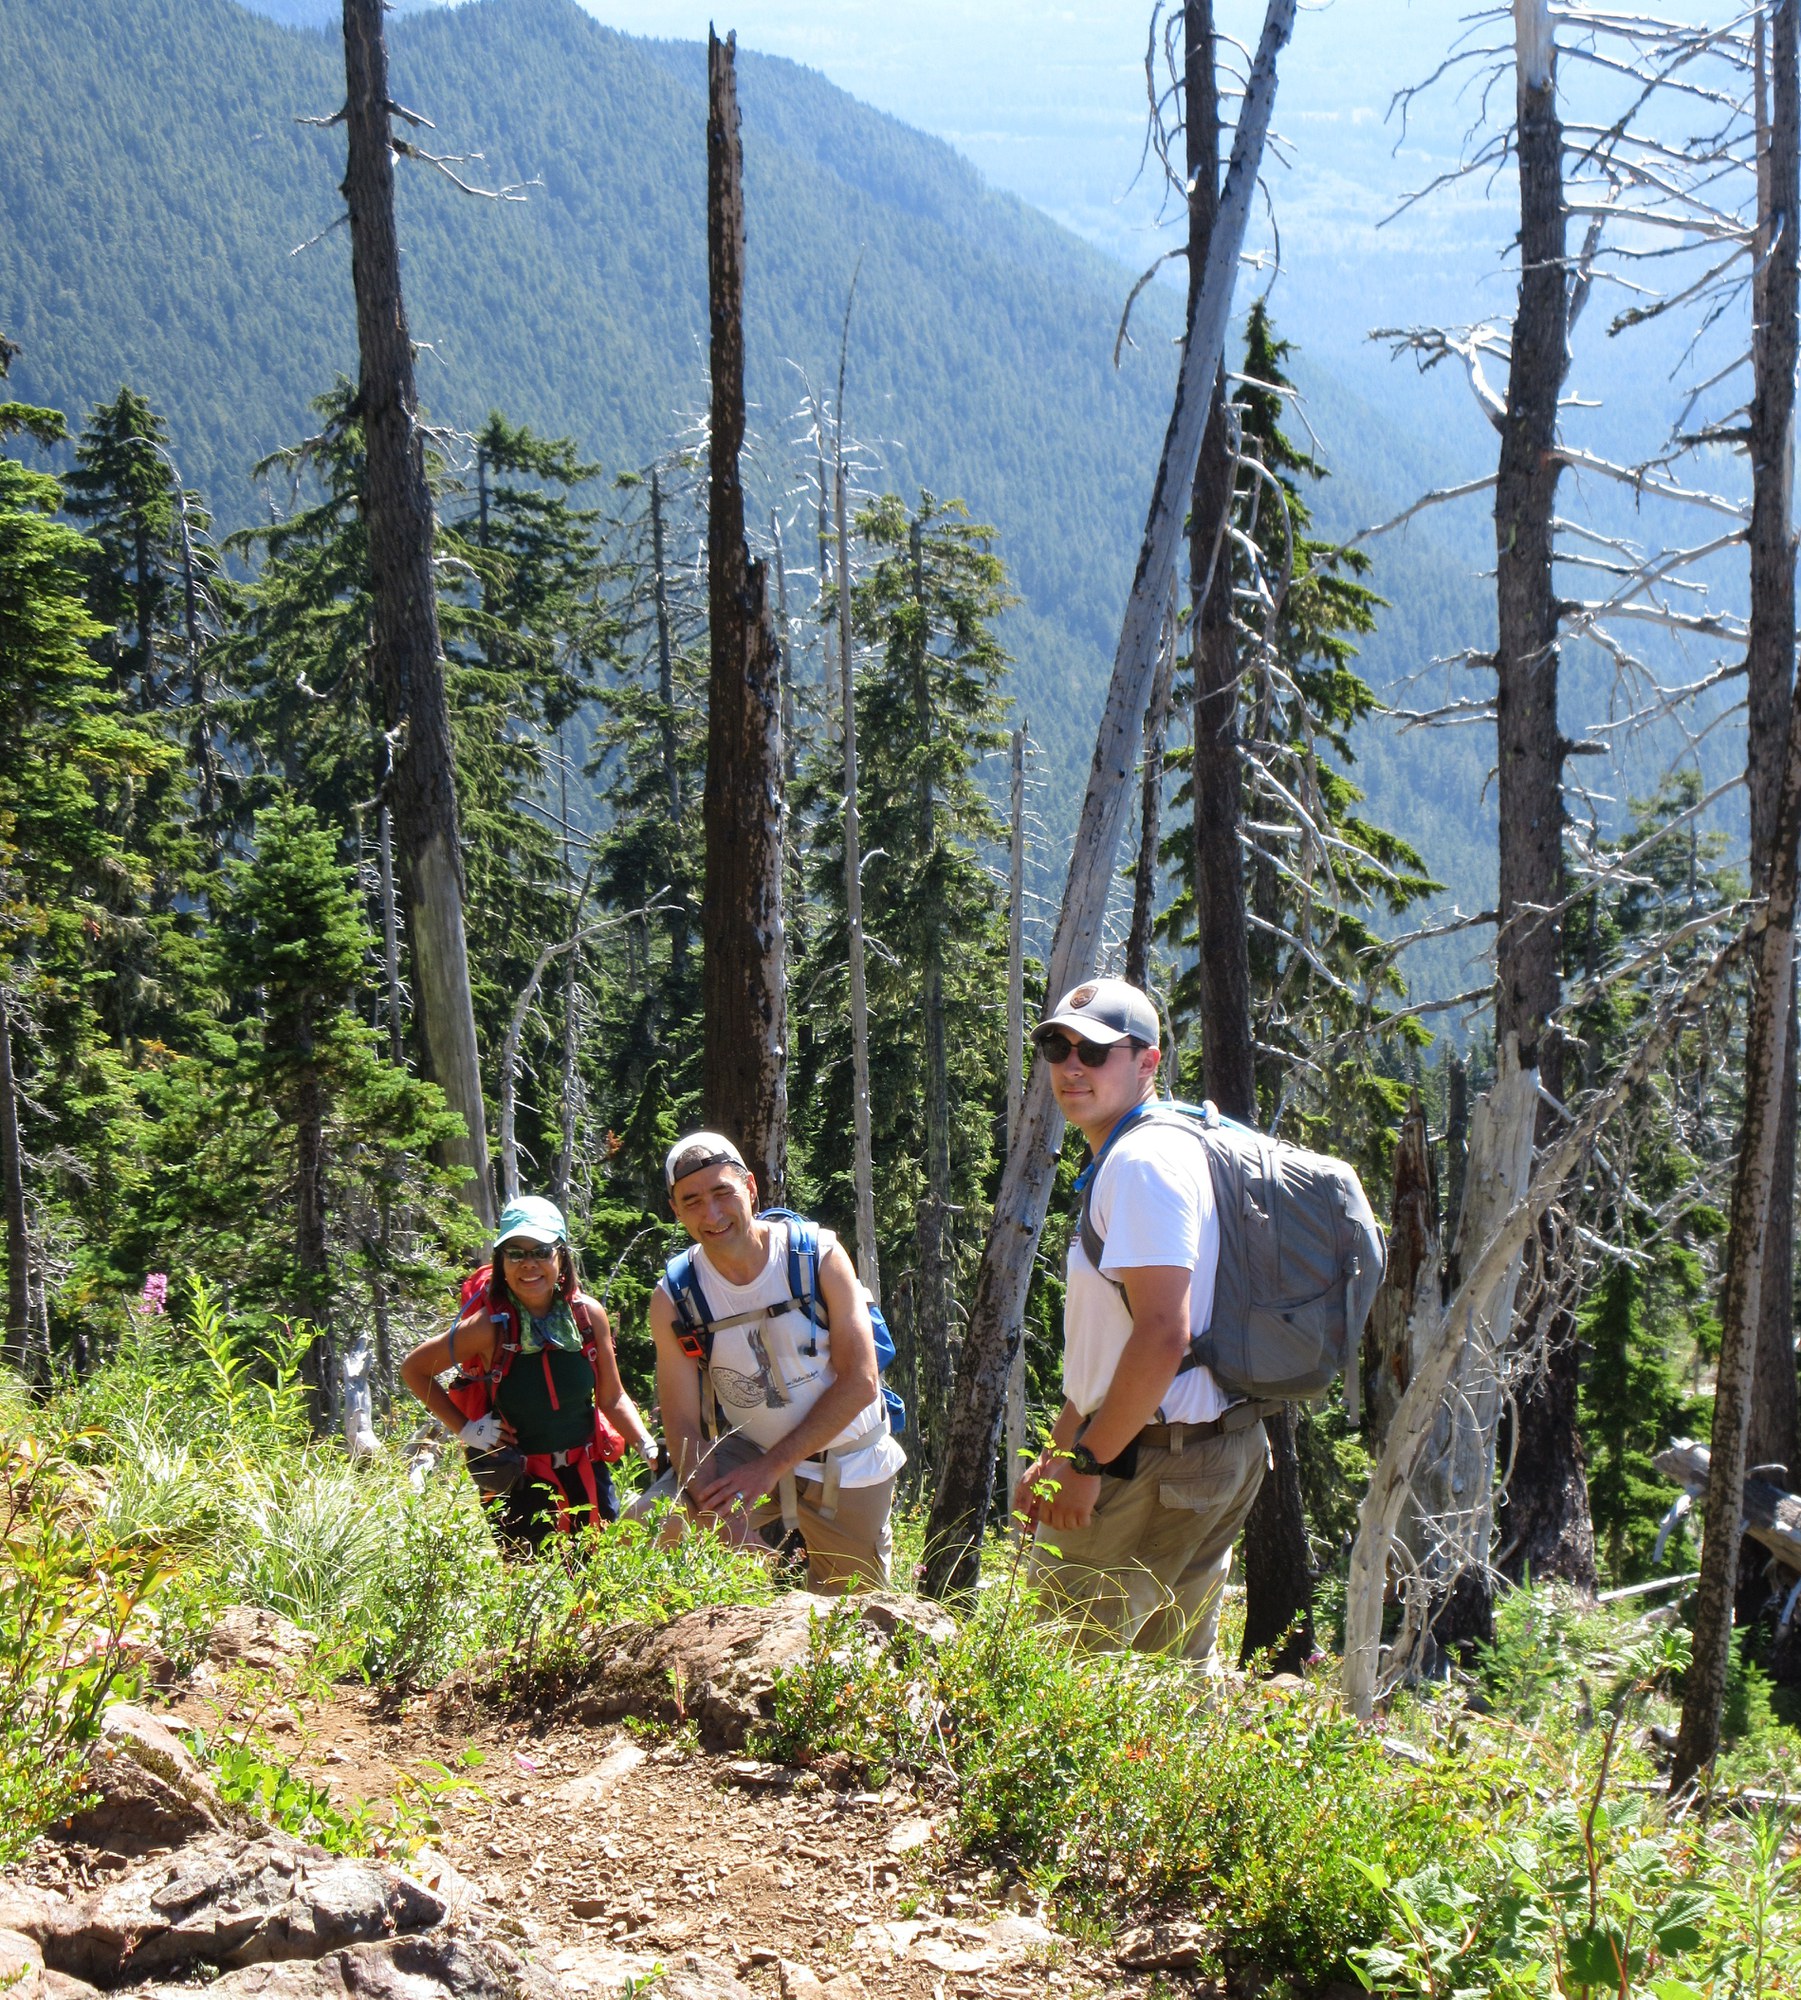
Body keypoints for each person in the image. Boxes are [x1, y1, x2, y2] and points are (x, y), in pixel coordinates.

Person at [1014, 977, 1270, 1664]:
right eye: (1055, 1047)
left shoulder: (1140, 1163)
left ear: (1147, 1063)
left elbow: (1162, 1335)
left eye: (1095, 1052)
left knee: (1060, 1666)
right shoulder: (1174, 1144)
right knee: (1169, 1674)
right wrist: (1060, 1446)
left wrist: (1091, 1461)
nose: (1071, 1066)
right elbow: (1115, 1338)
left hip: (1153, 1457)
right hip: (1208, 1446)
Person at [644, 1132, 904, 1592]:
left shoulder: (818, 1256)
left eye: (722, 1192)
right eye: (693, 1201)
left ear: (750, 1187)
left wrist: (772, 1468)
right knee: (651, 1524)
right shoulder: (676, 1296)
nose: (712, 1214)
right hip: (749, 1450)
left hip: (845, 1458)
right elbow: (683, 1420)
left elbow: (861, 1382)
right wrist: (712, 1508)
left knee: (855, 1619)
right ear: (675, 1210)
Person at [401, 1195, 658, 1555]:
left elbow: (612, 1397)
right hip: (519, 1482)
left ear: (561, 1256)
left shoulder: (587, 1316)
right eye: (515, 1253)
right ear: (501, 1262)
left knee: (598, 1585)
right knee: (535, 1592)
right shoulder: (489, 1328)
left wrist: (646, 1444)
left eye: (541, 1251)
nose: (529, 1264)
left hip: (587, 1475)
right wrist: (467, 1429)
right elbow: (415, 1370)